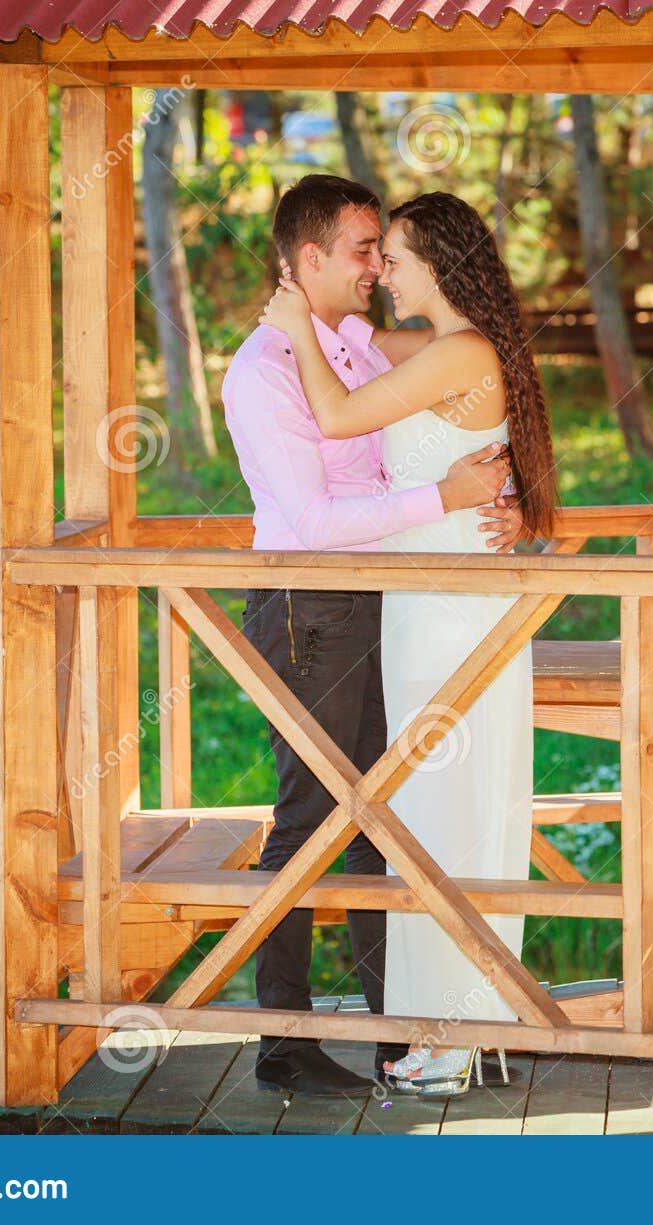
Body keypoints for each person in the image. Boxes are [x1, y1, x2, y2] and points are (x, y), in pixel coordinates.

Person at [222, 175, 524, 1098]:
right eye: (361, 250)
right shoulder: (264, 372)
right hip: (309, 607)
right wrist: (450, 498)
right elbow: (313, 521)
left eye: (383, 252)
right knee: (311, 819)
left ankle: (402, 1035)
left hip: (381, 609)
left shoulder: (351, 345)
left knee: (381, 822)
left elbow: (465, 375)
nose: (373, 267)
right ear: (306, 260)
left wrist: (501, 503)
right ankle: (284, 1039)